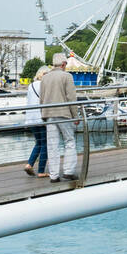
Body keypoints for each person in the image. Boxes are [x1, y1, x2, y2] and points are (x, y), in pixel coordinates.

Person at [41, 53, 80, 182]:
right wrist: (76, 116)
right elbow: (71, 98)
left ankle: (54, 175)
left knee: (52, 145)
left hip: (49, 114)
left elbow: (42, 99)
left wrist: (43, 115)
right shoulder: (66, 76)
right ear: (63, 64)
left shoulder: (45, 78)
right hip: (64, 113)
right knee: (69, 141)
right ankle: (68, 171)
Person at [24, 66, 50, 177]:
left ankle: (29, 164)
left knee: (38, 143)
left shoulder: (31, 86)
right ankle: (41, 171)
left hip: (31, 118)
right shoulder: (44, 85)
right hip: (41, 118)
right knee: (45, 144)